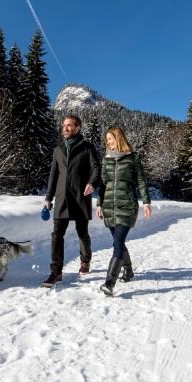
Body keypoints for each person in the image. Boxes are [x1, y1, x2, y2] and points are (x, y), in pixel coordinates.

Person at [43, 115, 101, 287]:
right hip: (62, 198)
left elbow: (96, 168)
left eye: (69, 126)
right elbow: (53, 175)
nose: (65, 128)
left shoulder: (87, 147)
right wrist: (48, 197)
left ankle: (85, 260)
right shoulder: (58, 150)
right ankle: (56, 271)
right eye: (64, 125)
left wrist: (92, 183)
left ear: (78, 128)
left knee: (82, 232)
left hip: (80, 196)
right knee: (57, 234)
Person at [96, 126, 152, 296]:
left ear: (118, 139)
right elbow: (103, 184)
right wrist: (99, 204)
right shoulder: (105, 160)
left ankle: (109, 283)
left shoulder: (132, 159)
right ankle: (128, 270)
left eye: (110, 139)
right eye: (106, 140)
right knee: (118, 242)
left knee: (118, 242)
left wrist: (147, 203)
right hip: (109, 206)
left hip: (127, 205)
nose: (108, 142)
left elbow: (141, 181)